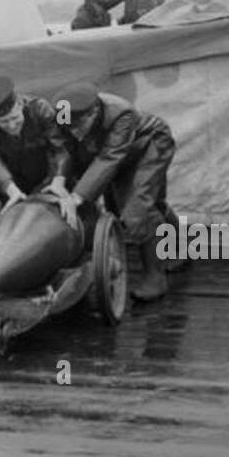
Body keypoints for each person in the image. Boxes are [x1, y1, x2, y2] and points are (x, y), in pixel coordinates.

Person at [56, 82, 176, 301]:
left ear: (94, 112)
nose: (76, 132)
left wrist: (76, 197)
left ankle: (155, 278)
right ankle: (177, 248)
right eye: (70, 126)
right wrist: (60, 183)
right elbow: (66, 148)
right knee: (128, 208)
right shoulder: (65, 115)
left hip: (148, 145)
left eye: (80, 125)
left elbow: (109, 158)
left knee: (137, 211)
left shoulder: (121, 113)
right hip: (114, 156)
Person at [0, 76, 73, 219]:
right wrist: (10, 189)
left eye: (15, 118)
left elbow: (61, 149)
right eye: (4, 122)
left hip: (42, 177)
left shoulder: (40, 108)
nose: (11, 126)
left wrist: (59, 181)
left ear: (20, 105)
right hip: (6, 180)